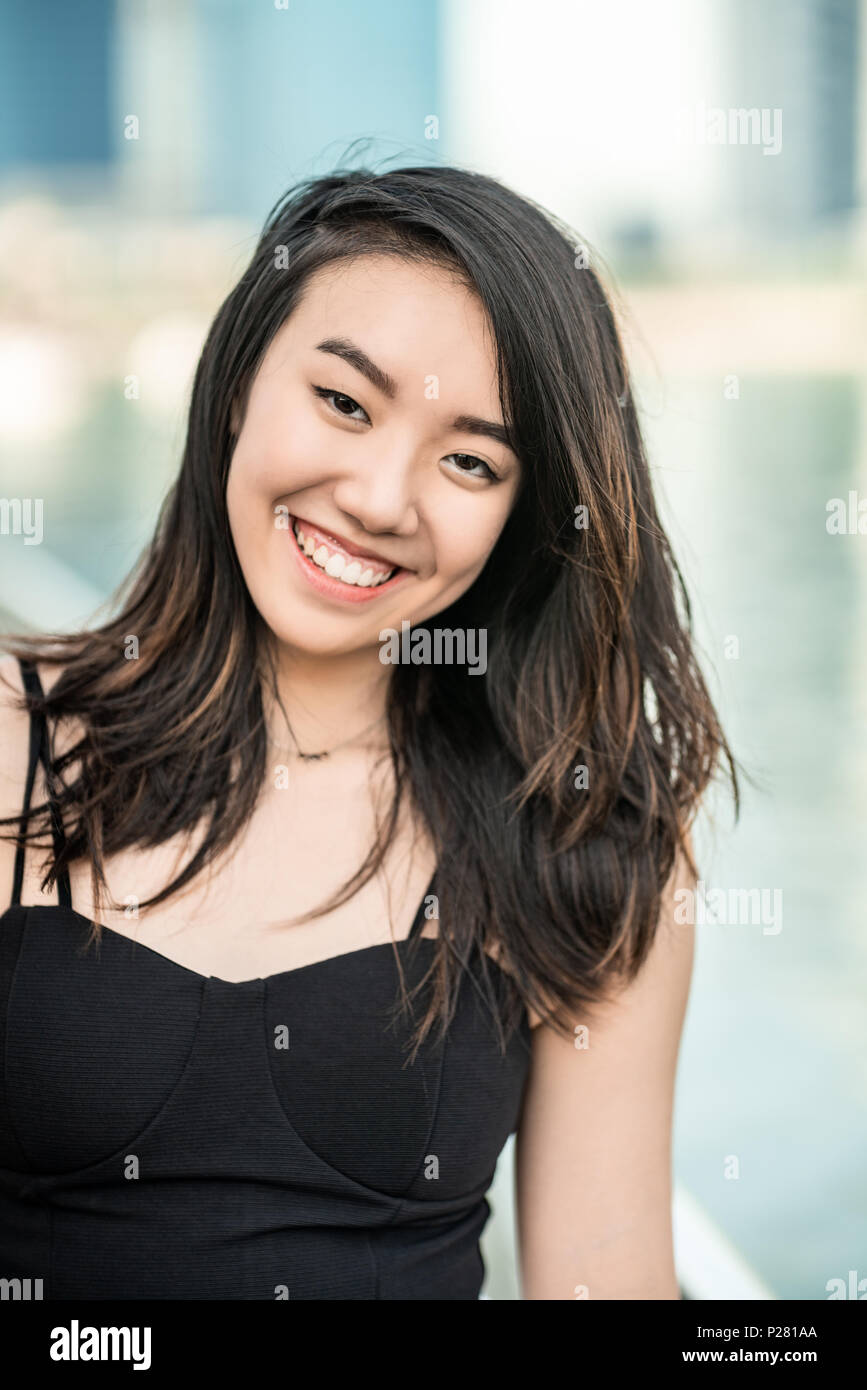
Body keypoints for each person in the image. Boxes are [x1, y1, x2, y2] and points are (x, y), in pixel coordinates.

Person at [0, 165, 736, 1300]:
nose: (383, 497)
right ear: (240, 381)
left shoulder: (587, 837)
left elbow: (607, 1283)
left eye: (470, 461)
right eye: (345, 401)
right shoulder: (16, 735)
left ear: (521, 518)